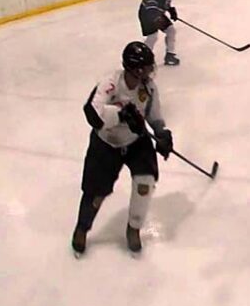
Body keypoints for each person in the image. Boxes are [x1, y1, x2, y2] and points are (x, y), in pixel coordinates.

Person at [73, 41, 174, 256]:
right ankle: (82, 228)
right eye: (146, 67)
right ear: (135, 69)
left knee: (145, 182)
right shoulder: (110, 83)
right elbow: (92, 113)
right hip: (105, 143)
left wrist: (162, 134)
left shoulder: (148, 88)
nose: (150, 71)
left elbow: (155, 116)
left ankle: (133, 228)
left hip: (135, 141)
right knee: (95, 193)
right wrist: (120, 115)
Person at [139, 0, 180, 66]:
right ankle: (143, 59)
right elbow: (151, 5)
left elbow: (165, 3)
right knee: (152, 36)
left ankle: (170, 55)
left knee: (171, 30)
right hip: (146, 13)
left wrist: (171, 10)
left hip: (158, 13)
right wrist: (156, 18)